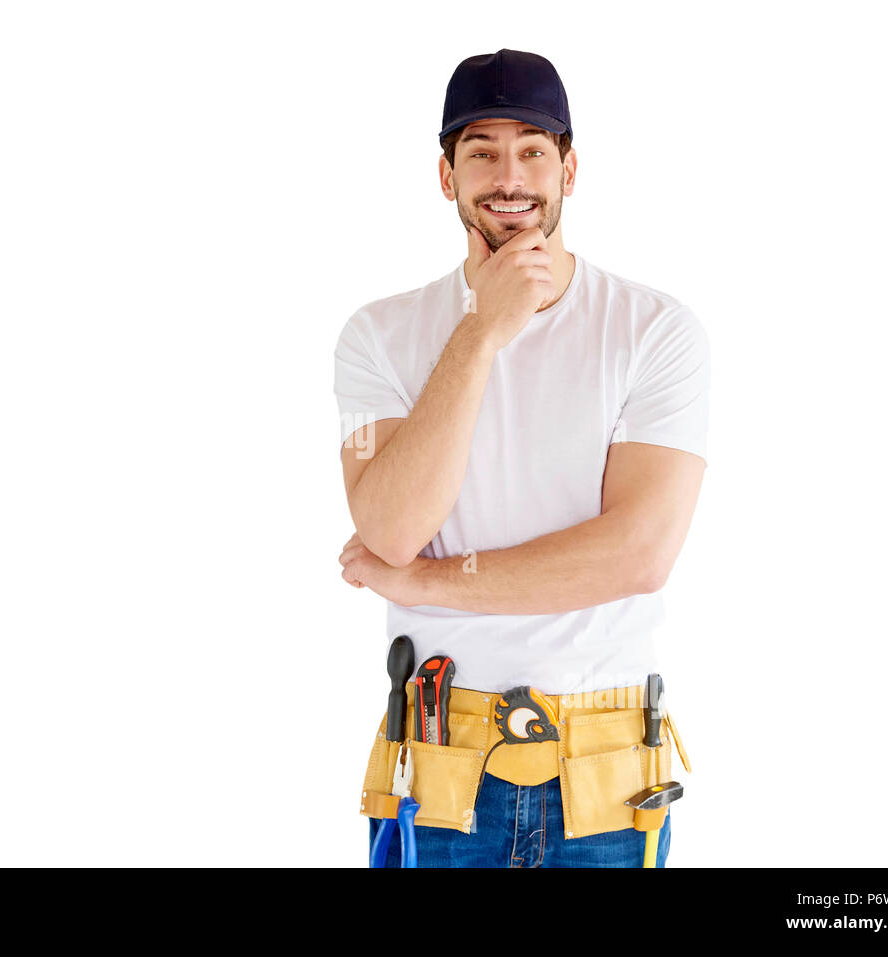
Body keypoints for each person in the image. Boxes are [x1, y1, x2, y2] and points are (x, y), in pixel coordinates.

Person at [333, 50, 709, 868]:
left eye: (534, 149)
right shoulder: (376, 336)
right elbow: (392, 527)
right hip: (438, 762)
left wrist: (426, 583)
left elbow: (640, 553)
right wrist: (483, 330)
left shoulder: (655, 330)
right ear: (446, 175)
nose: (511, 176)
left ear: (570, 168)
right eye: (482, 151)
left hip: (605, 769)